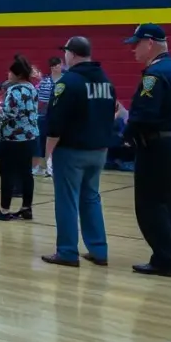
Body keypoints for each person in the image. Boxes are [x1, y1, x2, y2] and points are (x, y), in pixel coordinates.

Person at [123, 24, 171, 277]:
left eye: (136, 44)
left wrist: (126, 136)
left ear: (149, 43)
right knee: (165, 203)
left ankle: (164, 260)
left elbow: (144, 114)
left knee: (149, 205)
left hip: (156, 146)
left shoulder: (154, 74)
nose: (133, 49)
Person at [41, 37, 115, 268]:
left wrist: (46, 155)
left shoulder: (68, 82)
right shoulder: (105, 80)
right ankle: (99, 250)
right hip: (99, 150)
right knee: (91, 198)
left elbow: (55, 123)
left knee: (67, 201)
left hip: (72, 151)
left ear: (71, 54)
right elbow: (113, 112)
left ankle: (67, 251)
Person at [0, 55, 39, 221]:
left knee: (6, 172)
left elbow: (9, 113)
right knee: (26, 173)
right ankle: (26, 208)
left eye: (10, 72)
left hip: (13, 138)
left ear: (17, 74)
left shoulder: (15, 90)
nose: (8, 75)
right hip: (30, 137)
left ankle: (4, 210)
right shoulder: (31, 87)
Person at [34, 56, 64, 177]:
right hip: (44, 116)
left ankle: (54, 166)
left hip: (61, 117)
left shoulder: (66, 81)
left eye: (58, 64)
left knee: (58, 143)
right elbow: (41, 101)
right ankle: (43, 166)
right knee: (42, 142)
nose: (56, 67)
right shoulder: (45, 82)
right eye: (53, 65)